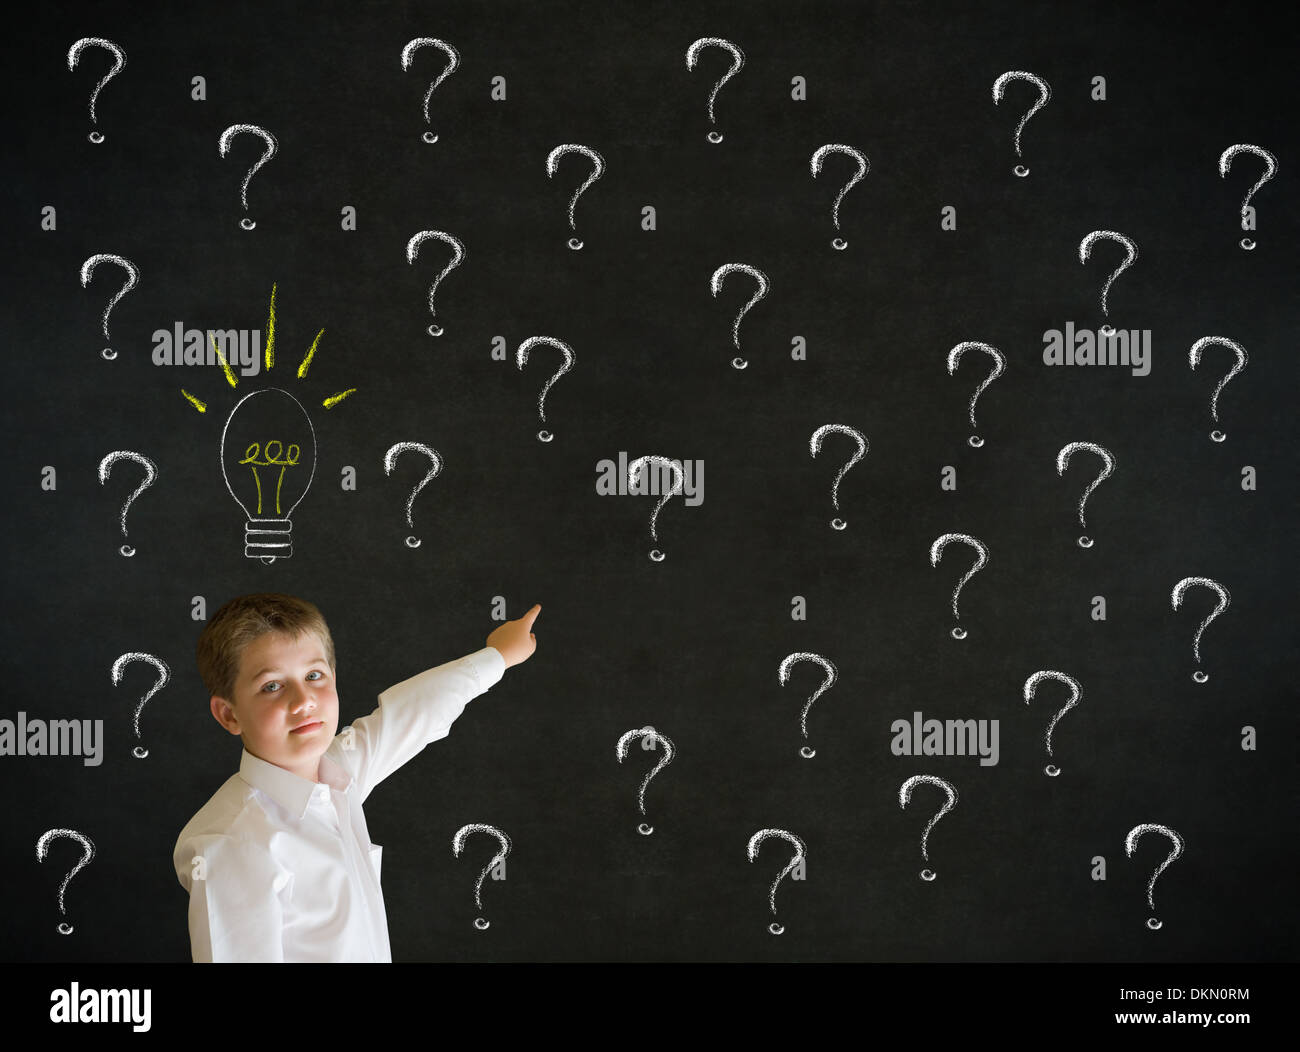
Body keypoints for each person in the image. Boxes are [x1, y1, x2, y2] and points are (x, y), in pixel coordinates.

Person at [172, 592, 539, 961]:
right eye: (272, 686)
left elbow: (411, 715)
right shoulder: (232, 844)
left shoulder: (336, 774)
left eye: (314, 676)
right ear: (229, 715)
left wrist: (499, 656)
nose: (304, 701)